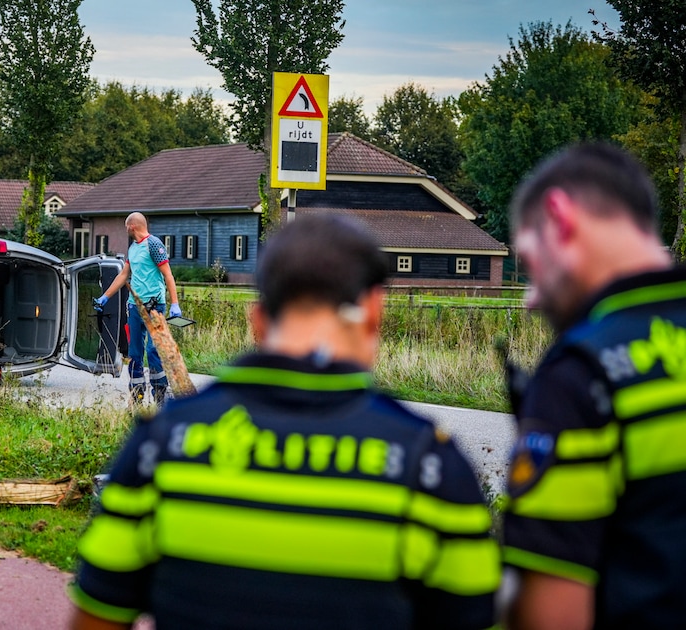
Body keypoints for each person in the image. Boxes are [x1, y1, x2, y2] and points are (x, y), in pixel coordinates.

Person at [70, 215, 499, 630]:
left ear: (259, 319)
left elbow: (97, 614)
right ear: (373, 312)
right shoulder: (432, 468)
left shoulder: (157, 448)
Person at [502, 143, 686, 629]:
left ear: (560, 218)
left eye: (528, 262)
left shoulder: (582, 375)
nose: (530, 298)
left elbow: (553, 617)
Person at [95, 212, 181, 405]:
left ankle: (160, 394)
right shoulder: (132, 248)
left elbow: (168, 275)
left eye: (126, 226)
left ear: (132, 226)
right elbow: (123, 276)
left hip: (154, 307)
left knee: (153, 350)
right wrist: (105, 297)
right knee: (134, 353)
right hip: (134, 307)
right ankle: (136, 395)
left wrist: (174, 303)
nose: (126, 230)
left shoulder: (154, 245)